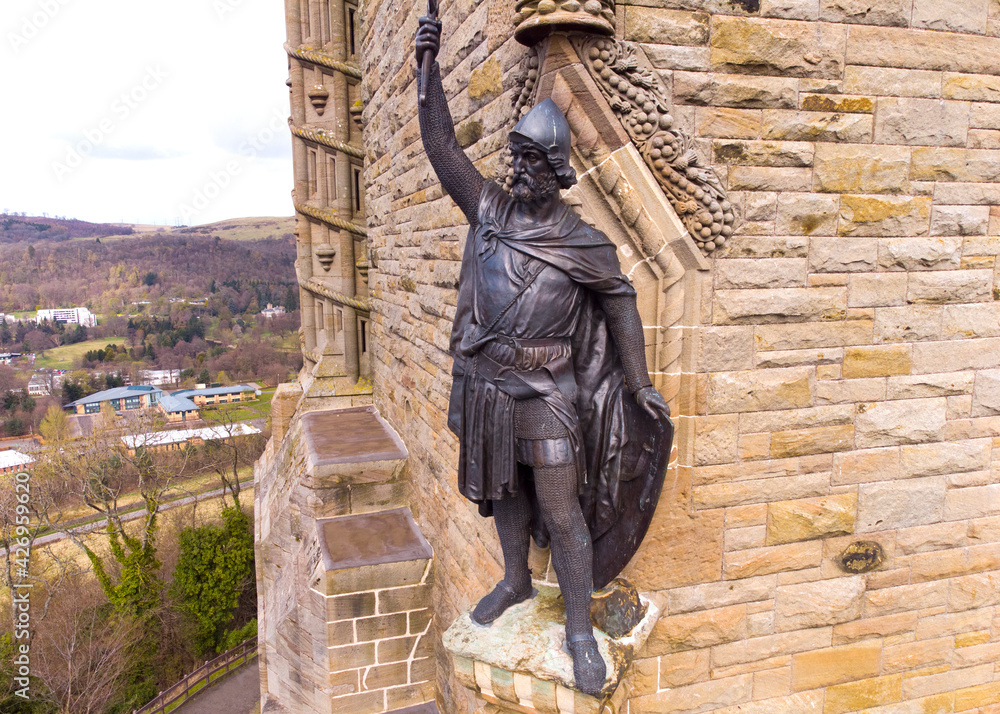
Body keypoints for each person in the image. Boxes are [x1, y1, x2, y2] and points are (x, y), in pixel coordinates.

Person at [415, 16, 671, 696]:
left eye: (533, 161)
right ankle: (514, 580)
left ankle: (580, 628)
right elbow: (441, 147)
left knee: (561, 510)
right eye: (516, 156)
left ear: (557, 170)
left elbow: (620, 302)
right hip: (490, 384)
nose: (519, 169)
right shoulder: (490, 210)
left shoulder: (582, 240)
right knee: (505, 495)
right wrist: (425, 68)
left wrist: (639, 383)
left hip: (548, 388)